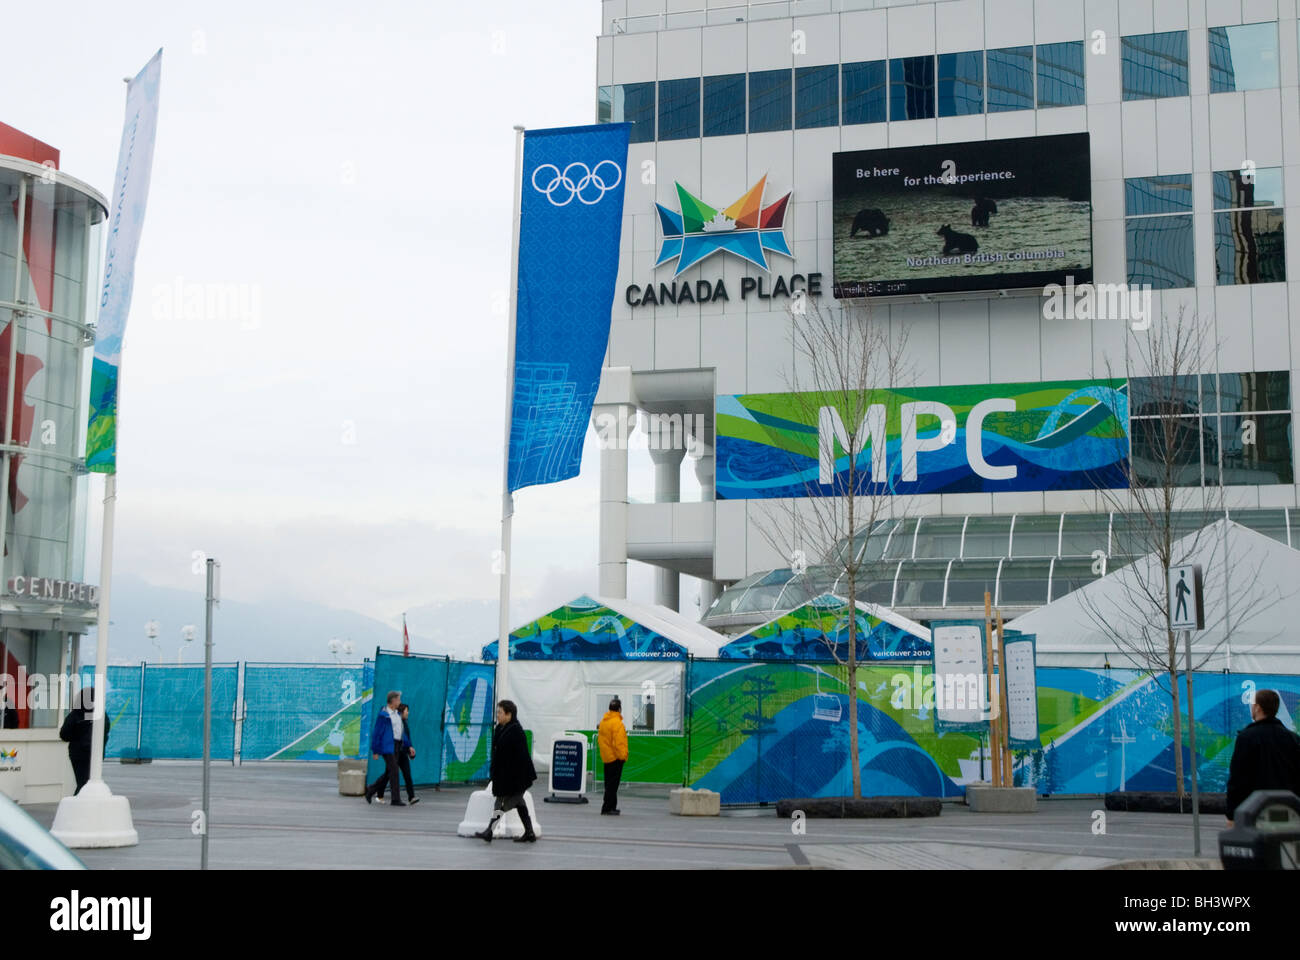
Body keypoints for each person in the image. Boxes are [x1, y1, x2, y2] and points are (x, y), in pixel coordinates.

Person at [1225, 688, 1300, 826]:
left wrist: (1231, 815)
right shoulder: (1293, 739)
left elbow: (1237, 779)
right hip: (1287, 810)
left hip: (1255, 810)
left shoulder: (1246, 737)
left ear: (1258, 708)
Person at [475, 700, 537, 843]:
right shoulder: (500, 729)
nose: (497, 715)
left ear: (509, 714)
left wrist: (510, 779)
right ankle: (529, 832)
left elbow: (519, 759)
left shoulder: (516, 731)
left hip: (517, 778)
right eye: (497, 712)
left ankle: (489, 831)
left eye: (500, 712)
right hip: (505, 777)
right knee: (517, 803)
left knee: (504, 805)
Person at [59, 687, 109, 795]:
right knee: (89, 782)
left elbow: (64, 734)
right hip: (96, 753)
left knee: (82, 782)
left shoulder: (75, 715)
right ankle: (81, 804)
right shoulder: (101, 714)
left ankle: (76, 804)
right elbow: (106, 731)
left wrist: (77, 737)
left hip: (78, 754)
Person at [371, 702, 420, 804]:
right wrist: (377, 750)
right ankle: (378, 794)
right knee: (388, 775)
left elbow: (405, 738)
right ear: (401, 712)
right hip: (393, 753)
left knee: (407, 774)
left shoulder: (404, 723)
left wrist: (410, 748)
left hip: (403, 753)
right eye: (407, 711)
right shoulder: (391, 722)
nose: (408, 713)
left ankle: (411, 797)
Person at [364, 691, 407, 807]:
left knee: (389, 773)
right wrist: (376, 750)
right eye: (398, 699)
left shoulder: (397, 714)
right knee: (394, 771)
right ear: (393, 701)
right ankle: (395, 799)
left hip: (397, 745)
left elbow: (401, 731)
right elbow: (377, 733)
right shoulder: (384, 715)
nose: (400, 702)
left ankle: (370, 790)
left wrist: (407, 745)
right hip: (388, 746)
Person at [597, 697, 629, 815]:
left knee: (608, 784)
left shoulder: (603, 722)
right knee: (613, 785)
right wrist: (622, 756)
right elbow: (619, 743)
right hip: (616, 758)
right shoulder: (618, 724)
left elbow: (601, 740)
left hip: (607, 757)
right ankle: (607, 808)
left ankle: (611, 806)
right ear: (619, 709)